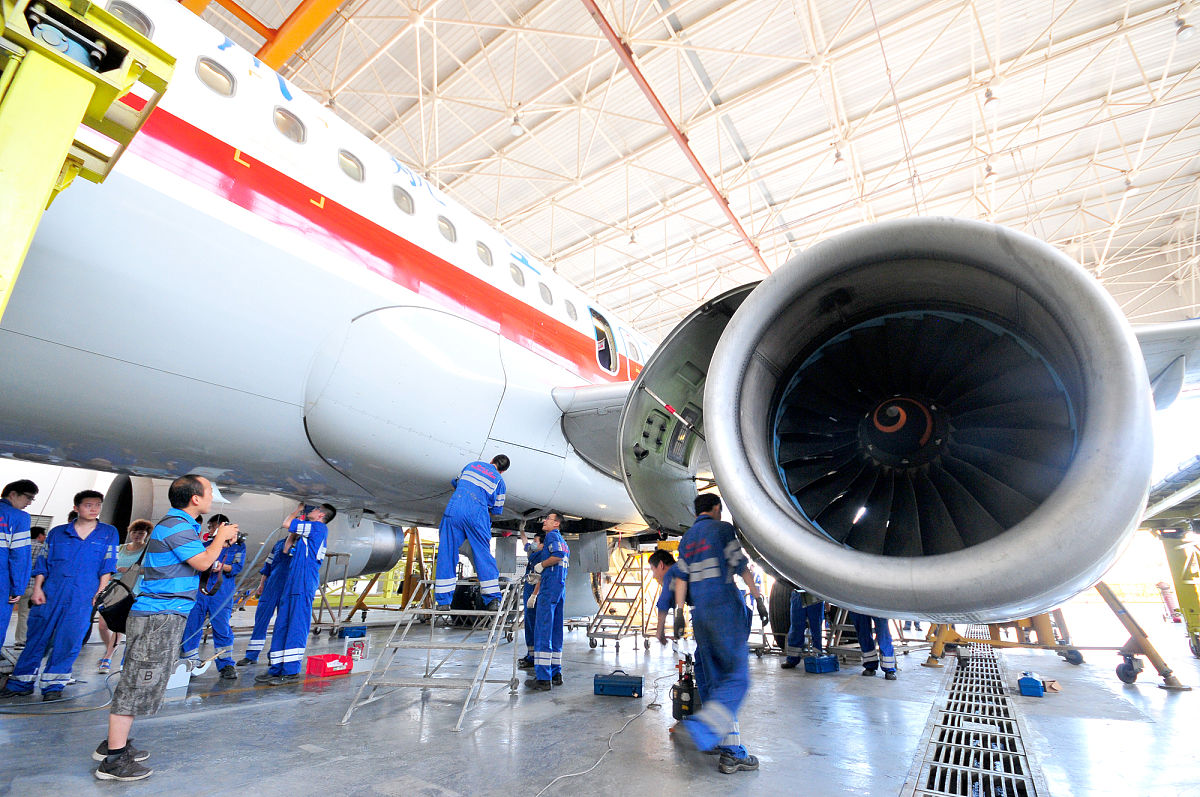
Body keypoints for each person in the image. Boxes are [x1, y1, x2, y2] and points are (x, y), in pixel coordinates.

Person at [93, 474, 239, 781]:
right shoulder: (176, 526)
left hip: (164, 616)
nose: (212, 496)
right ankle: (114, 759)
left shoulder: (182, 526)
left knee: (140, 680)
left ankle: (115, 745)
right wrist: (220, 537)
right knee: (138, 682)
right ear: (195, 498)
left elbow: (196, 565)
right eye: (209, 491)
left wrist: (217, 543)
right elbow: (203, 563)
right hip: (158, 618)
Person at [672, 493, 763, 775]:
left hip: (700, 615)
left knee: (712, 681)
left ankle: (717, 743)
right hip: (724, 610)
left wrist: (678, 613)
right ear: (716, 509)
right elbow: (742, 566)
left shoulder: (687, 539)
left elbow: (681, 578)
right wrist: (758, 597)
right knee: (736, 679)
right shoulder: (723, 529)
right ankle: (710, 738)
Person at [1, 490, 119, 700]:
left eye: (97, 505)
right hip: (51, 593)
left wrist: (100, 592)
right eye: (88, 505)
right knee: (37, 638)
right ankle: (21, 683)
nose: (94, 509)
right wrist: (38, 589)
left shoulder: (108, 533)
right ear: (76, 508)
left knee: (69, 640)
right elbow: (43, 563)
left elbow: (108, 566)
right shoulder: (57, 533)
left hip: (83, 595)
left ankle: (53, 685)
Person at [255, 503, 334, 686]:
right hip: (292, 581)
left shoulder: (318, 528)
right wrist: (294, 530)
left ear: (321, 515)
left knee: (296, 626)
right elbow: (285, 549)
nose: (311, 510)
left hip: (304, 581)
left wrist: (298, 510)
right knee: (282, 625)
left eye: (315, 509)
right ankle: (276, 669)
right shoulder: (306, 536)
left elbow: (286, 523)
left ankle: (290, 671)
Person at [434, 455, 509, 611]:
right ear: (502, 471)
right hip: (477, 514)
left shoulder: (472, 465)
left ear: (491, 461)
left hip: (455, 508)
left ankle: (443, 602)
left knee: (446, 552)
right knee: (482, 555)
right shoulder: (499, 481)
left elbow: (456, 483)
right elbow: (496, 510)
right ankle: (493, 599)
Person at [180, 514, 245, 680]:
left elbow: (237, 568)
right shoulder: (205, 546)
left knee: (221, 627)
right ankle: (189, 662)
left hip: (221, 593)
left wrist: (221, 566)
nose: (209, 530)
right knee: (192, 625)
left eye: (212, 526)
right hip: (201, 592)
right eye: (209, 527)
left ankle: (226, 664)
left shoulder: (237, 548)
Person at [97, 519, 152, 673]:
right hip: (114, 590)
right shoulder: (120, 548)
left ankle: (108, 657)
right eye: (134, 532)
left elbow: (151, 570)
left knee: (120, 626)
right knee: (102, 625)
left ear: (146, 534)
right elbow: (107, 566)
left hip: (133, 591)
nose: (137, 535)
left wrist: (129, 570)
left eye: (141, 533)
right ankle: (110, 648)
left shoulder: (148, 551)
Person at [525, 511, 568, 691]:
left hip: (549, 589)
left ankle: (543, 678)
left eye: (548, 519)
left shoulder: (551, 536)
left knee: (543, 630)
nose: (544, 521)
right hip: (560, 589)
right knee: (556, 631)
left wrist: (541, 565)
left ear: (556, 523)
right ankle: (556, 673)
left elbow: (557, 555)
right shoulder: (564, 542)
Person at [237, 536, 291, 666]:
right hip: (271, 586)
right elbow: (268, 566)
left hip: (288, 588)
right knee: (261, 620)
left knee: (282, 624)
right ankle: (251, 655)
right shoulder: (279, 544)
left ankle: (275, 655)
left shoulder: (302, 544)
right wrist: (261, 584)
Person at [0, 479, 38, 649]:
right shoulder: (19, 517)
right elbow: (19, 556)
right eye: (28, 497)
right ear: (13, 494)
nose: (29, 503)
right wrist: (18, 588)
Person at [516, 523, 545, 670]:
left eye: (536, 541)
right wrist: (522, 530)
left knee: (534, 624)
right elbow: (525, 544)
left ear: (542, 544)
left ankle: (535, 657)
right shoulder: (534, 552)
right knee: (529, 624)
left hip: (534, 592)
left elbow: (541, 577)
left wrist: (534, 595)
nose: (533, 543)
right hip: (529, 589)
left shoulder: (543, 556)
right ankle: (531, 655)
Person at [14, 526, 47, 647]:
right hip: (33, 585)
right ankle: (25, 640)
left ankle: (18, 639)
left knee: (17, 614)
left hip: (18, 584)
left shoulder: (23, 546)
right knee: (29, 614)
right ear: (40, 535)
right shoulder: (42, 548)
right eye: (44, 535)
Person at [781, 587, 825, 669]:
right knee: (796, 627)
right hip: (799, 593)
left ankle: (817, 657)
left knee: (816, 628)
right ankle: (792, 659)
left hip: (815, 594)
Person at [849, 611, 897, 680]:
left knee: (883, 631)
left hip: (878, 605)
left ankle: (889, 669)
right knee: (863, 631)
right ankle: (870, 664)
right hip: (858, 605)